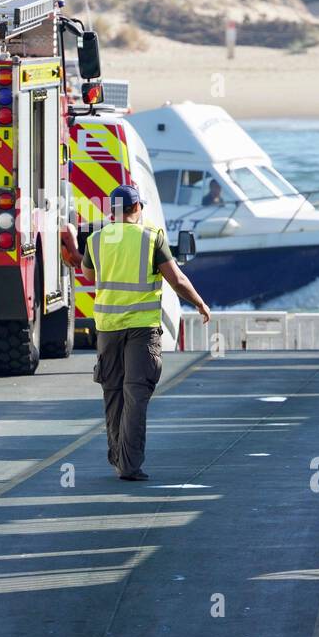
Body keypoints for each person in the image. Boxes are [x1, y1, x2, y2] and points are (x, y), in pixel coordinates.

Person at [82, 184, 210, 481]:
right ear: (137, 208)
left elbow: (89, 275)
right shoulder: (152, 238)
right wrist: (200, 303)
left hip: (108, 328)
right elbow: (176, 279)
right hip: (140, 329)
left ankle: (118, 456)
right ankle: (129, 464)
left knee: (112, 392)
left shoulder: (97, 238)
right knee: (136, 394)